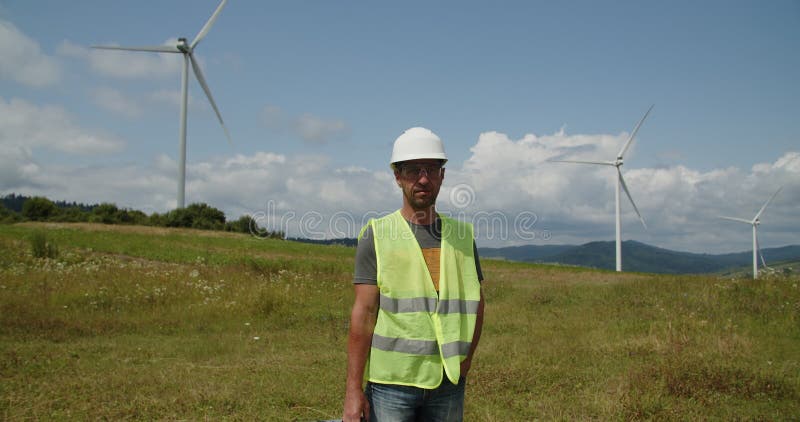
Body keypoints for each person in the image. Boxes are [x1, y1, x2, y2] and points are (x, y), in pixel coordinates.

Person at [342, 127, 485, 422]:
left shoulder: (463, 237)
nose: (423, 179)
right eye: (412, 170)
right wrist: (353, 390)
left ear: (442, 175)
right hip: (392, 383)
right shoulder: (377, 235)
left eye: (431, 169)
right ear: (397, 176)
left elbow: (476, 304)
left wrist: (466, 362)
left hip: (448, 382)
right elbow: (363, 314)